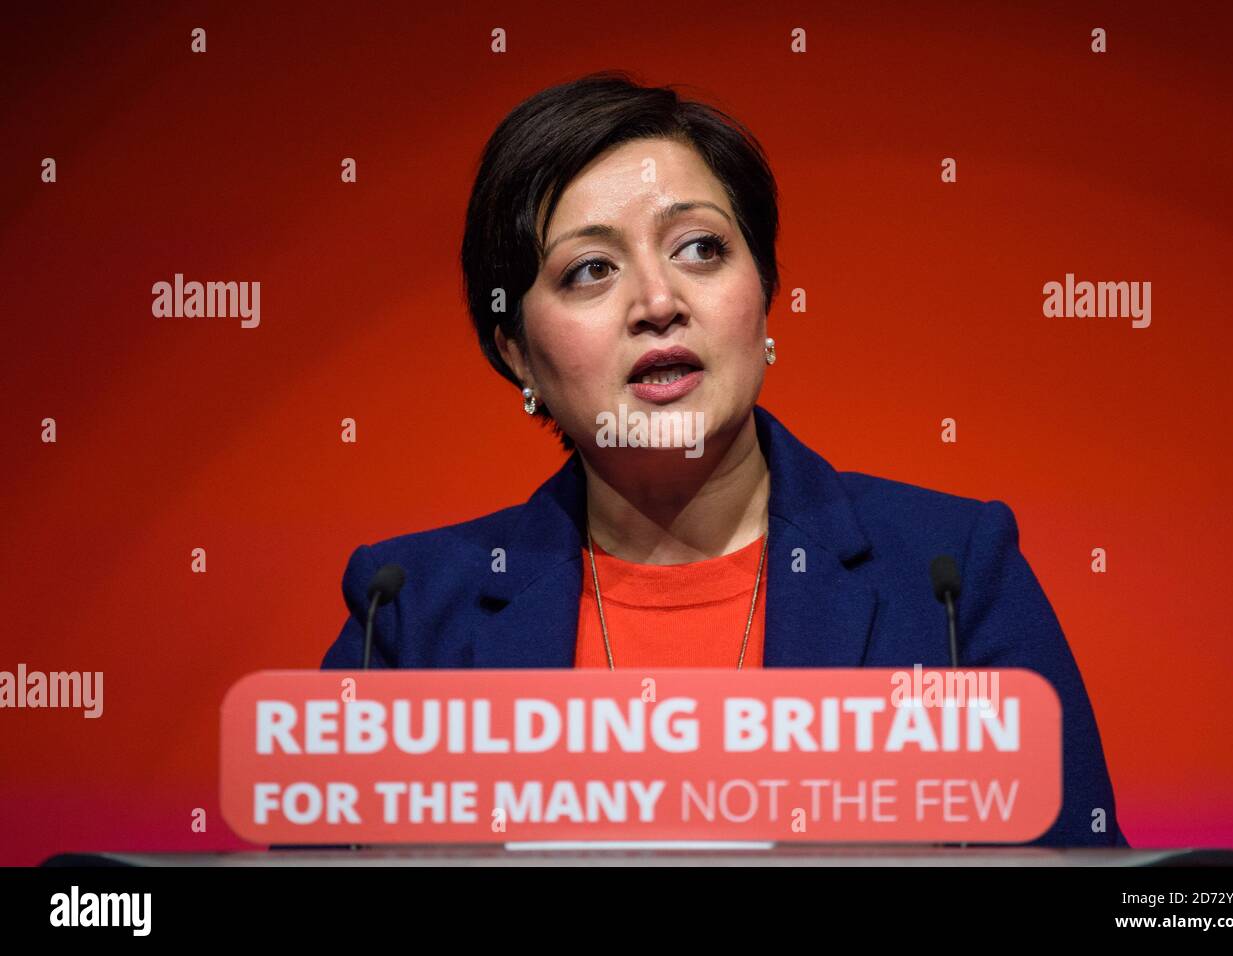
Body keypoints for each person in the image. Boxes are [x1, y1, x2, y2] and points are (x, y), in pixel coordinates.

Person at [321, 70, 1126, 848]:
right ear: (518, 354)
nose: (659, 302)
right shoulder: (409, 620)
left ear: (765, 293)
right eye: (590, 270)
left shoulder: (948, 579)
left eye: (701, 248)